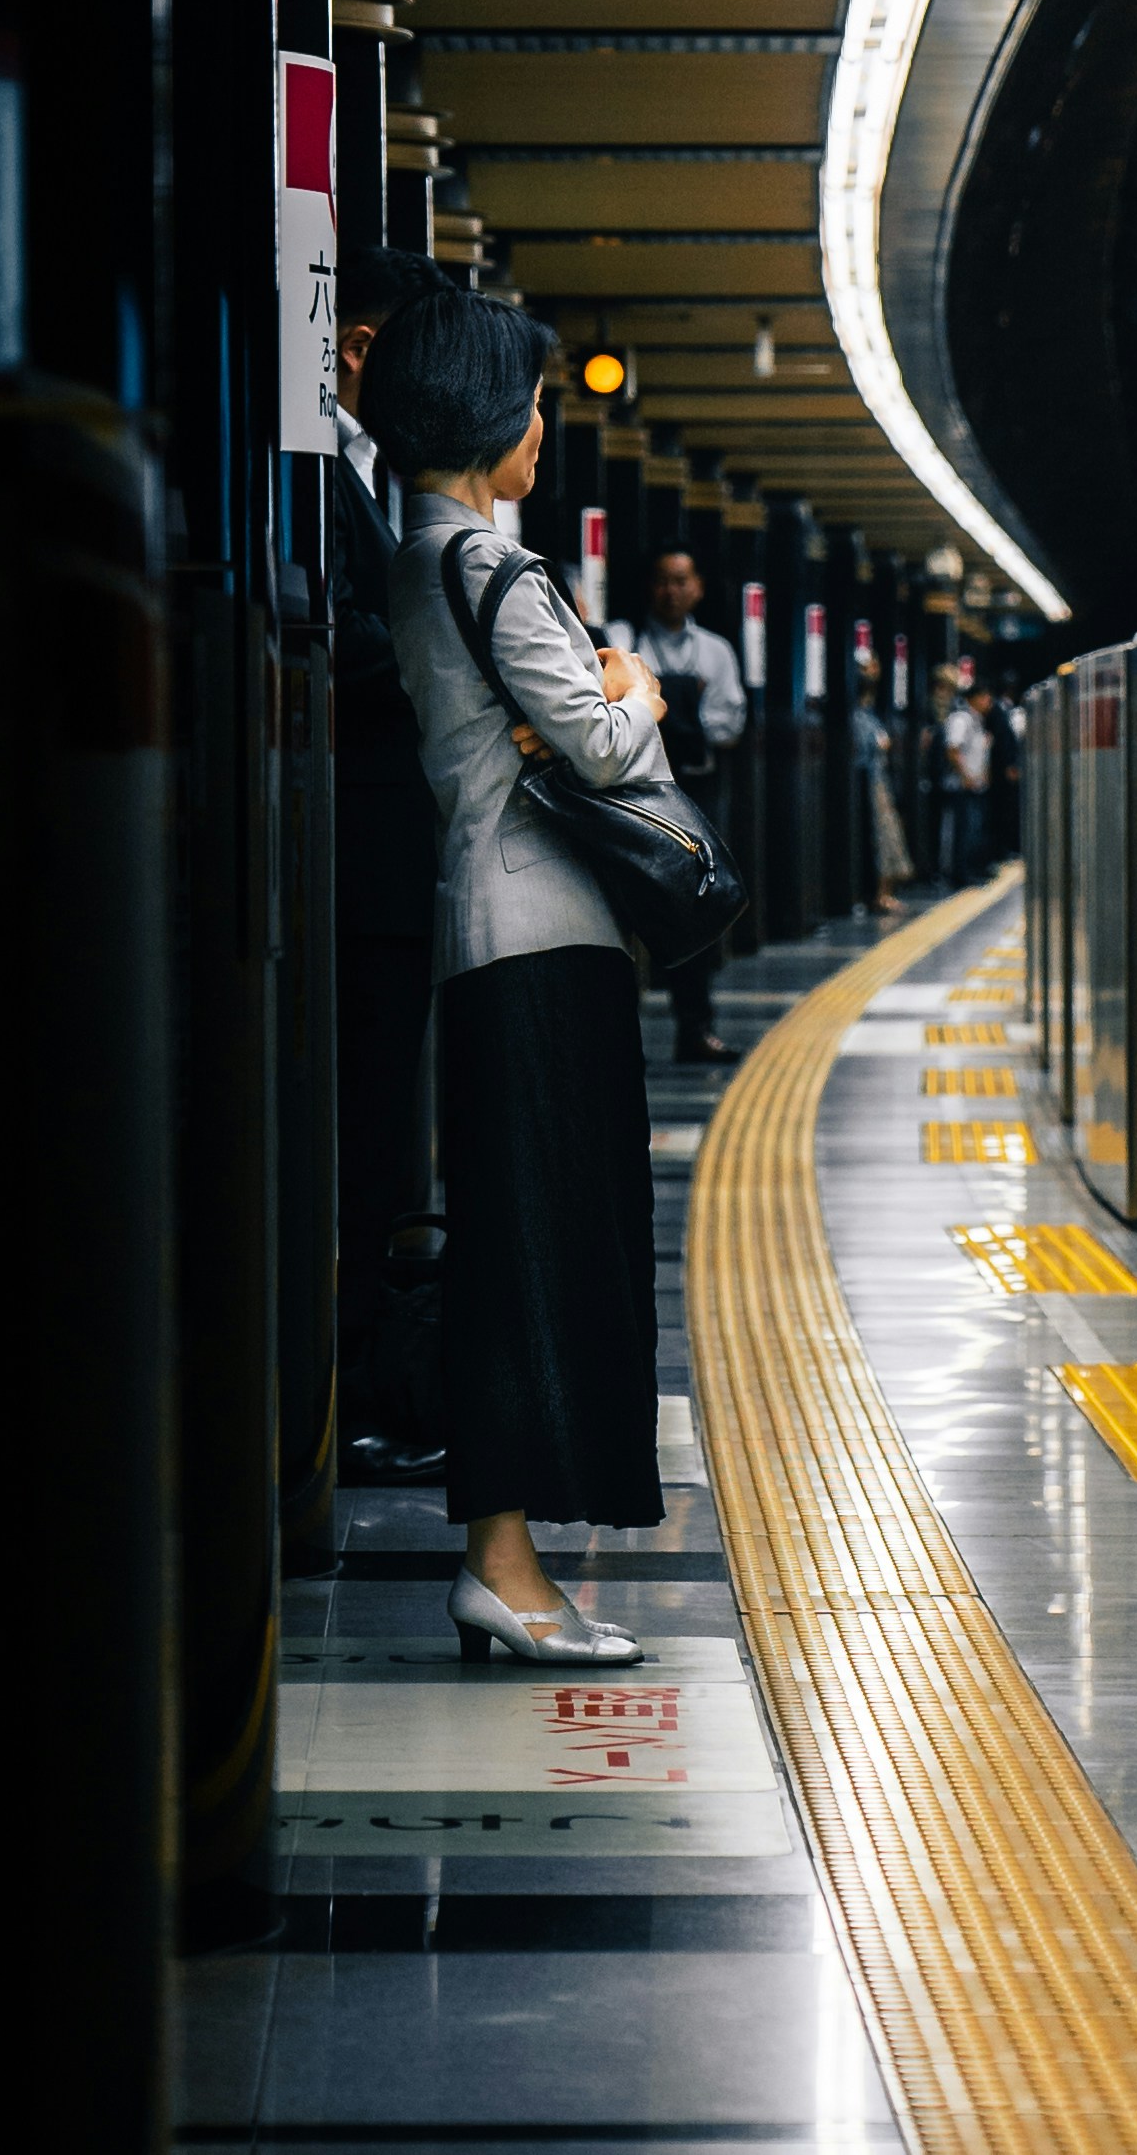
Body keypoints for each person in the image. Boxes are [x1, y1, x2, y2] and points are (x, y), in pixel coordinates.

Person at [364, 289, 669, 1667]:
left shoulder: (415, 556)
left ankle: (512, 1557)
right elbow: (603, 746)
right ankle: (503, 1567)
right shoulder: (489, 565)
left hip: (487, 932)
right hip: (544, 944)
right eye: (534, 401)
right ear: (491, 414)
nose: (544, 426)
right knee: (545, 1256)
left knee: (516, 1250)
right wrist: (636, 689)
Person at [331, 248, 461, 1476]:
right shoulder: (306, 465)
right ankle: (342, 1396)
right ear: (360, 348)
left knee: (376, 1132)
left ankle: (353, 1373)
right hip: (343, 859)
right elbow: (328, 632)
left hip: (374, 855)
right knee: (357, 1130)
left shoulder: (361, 469)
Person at [634, 548, 748, 1065]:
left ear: (698, 586)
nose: (670, 590)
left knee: (696, 905)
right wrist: (687, 712)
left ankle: (695, 1024)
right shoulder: (623, 640)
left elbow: (730, 725)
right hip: (634, 791)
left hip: (697, 792)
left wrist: (653, 712)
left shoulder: (716, 652)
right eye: (660, 580)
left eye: (680, 580)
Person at [851, 677, 910, 914]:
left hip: (879, 780)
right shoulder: (861, 718)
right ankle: (880, 894)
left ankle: (885, 891)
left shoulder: (869, 716)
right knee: (883, 837)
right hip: (873, 781)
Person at [942, 681, 992, 883]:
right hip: (962, 786)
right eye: (985, 697)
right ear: (974, 698)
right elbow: (953, 750)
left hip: (974, 784)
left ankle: (970, 870)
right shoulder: (961, 719)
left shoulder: (976, 720)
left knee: (972, 829)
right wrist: (966, 777)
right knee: (962, 831)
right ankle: (960, 873)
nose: (988, 702)